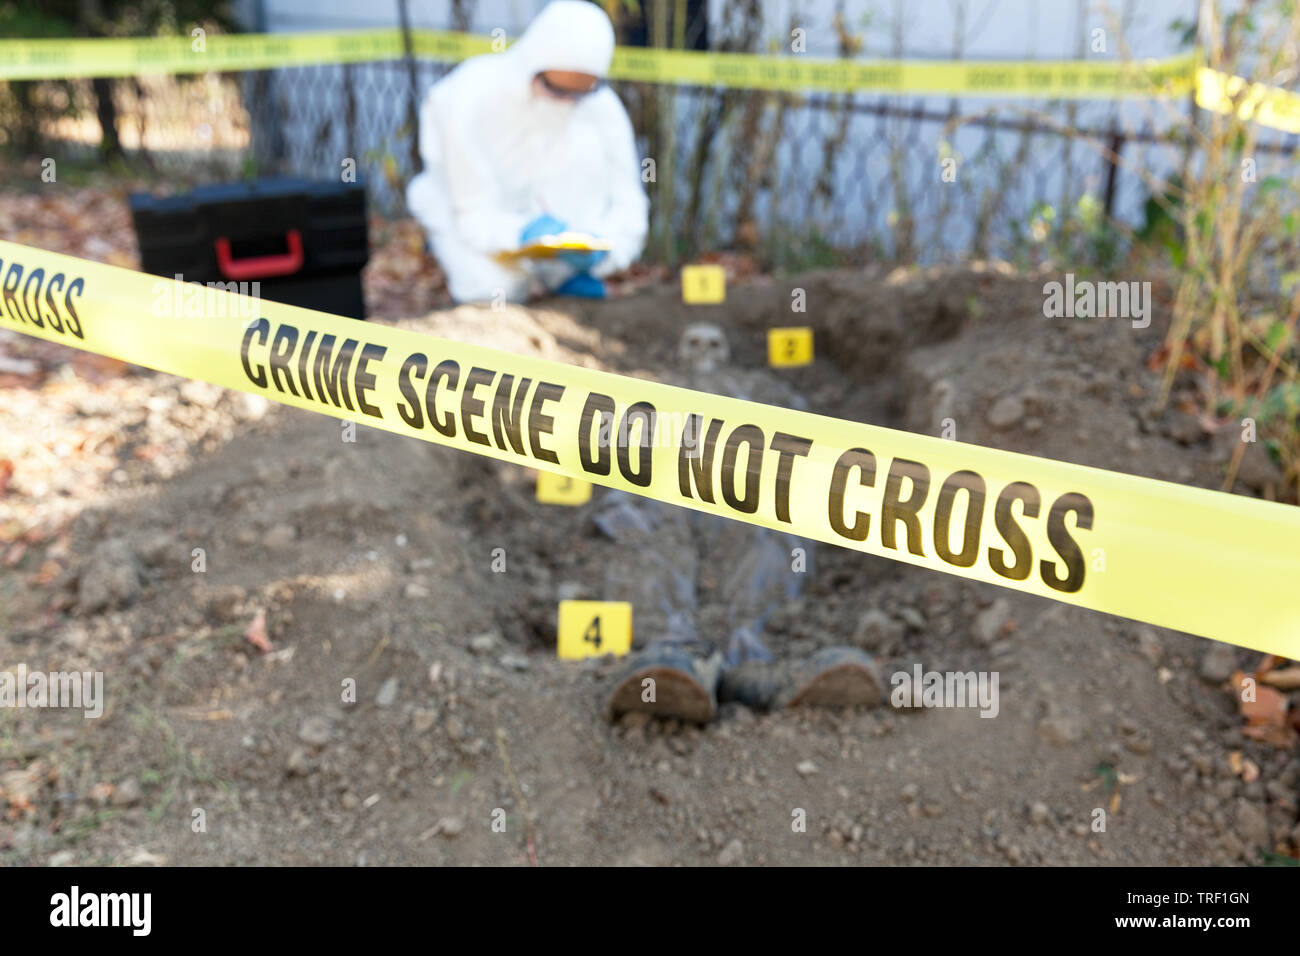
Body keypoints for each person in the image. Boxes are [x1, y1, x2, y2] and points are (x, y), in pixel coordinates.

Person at [600, 323, 887, 724]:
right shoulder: (653, 391)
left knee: (772, 536)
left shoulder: (758, 387)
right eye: (694, 344)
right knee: (655, 539)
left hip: (744, 484)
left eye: (714, 344)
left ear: (728, 352)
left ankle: (760, 666)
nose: (704, 354)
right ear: (681, 353)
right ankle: (674, 660)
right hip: (668, 487)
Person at [406, 1, 649, 304]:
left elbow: (630, 206)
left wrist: (605, 252)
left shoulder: (601, 106)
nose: (569, 101)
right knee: (492, 288)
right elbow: (472, 212)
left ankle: (562, 275)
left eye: (580, 93)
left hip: (556, 236)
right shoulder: (467, 99)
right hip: (471, 218)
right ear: (534, 63)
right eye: (557, 90)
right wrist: (520, 234)